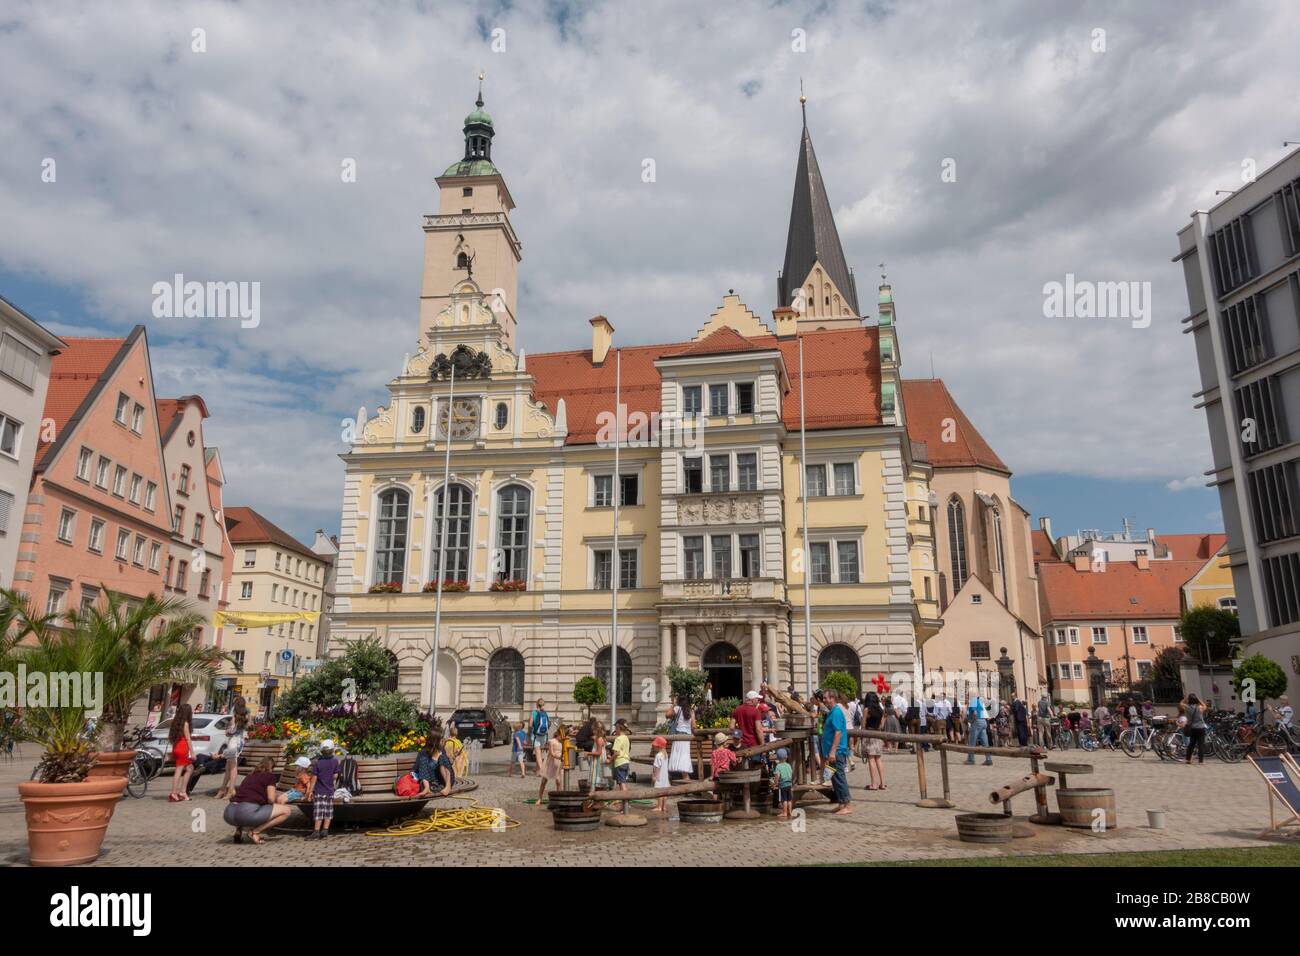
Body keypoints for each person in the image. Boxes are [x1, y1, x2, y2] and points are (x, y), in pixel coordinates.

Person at [223, 757, 292, 845]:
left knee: (248, 803)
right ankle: (255, 832)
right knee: (286, 811)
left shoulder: (250, 776)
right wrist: (277, 801)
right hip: (246, 812)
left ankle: (238, 831)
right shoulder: (270, 776)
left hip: (229, 813)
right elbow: (271, 799)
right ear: (271, 768)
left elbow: (245, 794)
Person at [821, 689, 852, 815]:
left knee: (839, 778)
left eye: (825, 698)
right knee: (834, 778)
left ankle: (847, 804)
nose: (824, 700)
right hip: (832, 752)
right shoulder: (832, 712)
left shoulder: (837, 712)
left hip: (837, 752)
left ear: (832, 698)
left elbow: (838, 733)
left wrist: (833, 751)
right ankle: (841, 803)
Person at [216, 695, 249, 799]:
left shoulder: (235, 715)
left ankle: (231, 790)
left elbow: (232, 730)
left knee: (232, 767)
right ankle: (223, 789)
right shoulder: (246, 714)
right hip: (240, 741)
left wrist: (227, 731)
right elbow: (248, 726)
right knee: (228, 766)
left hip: (233, 741)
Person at [311, 739, 340, 839]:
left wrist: (310, 791)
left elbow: (314, 779)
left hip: (319, 791)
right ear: (333, 750)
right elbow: (335, 775)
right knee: (328, 811)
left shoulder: (317, 763)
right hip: (330, 791)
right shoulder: (335, 761)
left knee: (319, 811)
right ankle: (325, 830)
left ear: (321, 751)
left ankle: (316, 831)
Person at [167, 703, 195, 802]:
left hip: (177, 747)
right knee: (178, 771)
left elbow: (172, 737)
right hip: (183, 748)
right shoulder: (185, 723)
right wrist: (192, 752)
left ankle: (182, 792)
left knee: (190, 768)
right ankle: (174, 793)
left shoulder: (175, 722)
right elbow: (188, 739)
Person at [862, 691, 886, 791]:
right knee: (878, 759)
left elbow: (863, 724)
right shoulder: (881, 710)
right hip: (878, 735)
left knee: (871, 759)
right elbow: (882, 725)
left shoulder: (867, 710)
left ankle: (874, 784)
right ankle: (883, 783)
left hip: (869, 734)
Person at [669, 696, 695, 780]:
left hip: (678, 736)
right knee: (685, 756)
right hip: (687, 737)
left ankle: (685, 778)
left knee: (678, 755)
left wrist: (673, 705)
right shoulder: (691, 711)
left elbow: (667, 715)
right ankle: (685, 777)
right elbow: (693, 726)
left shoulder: (677, 708)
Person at [538, 725, 563, 803]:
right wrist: (559, 757)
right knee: (544, 781)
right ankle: (540, 798)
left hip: (558, 763)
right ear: (558, 734)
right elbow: (552, 753)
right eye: (561, 736)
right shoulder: (552, 741)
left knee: (558, 781)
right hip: (550, 762)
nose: (562, 738)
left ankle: (559, 798)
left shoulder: (563, 742)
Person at [965, 695, 993, 765]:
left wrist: (971, 721)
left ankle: (971, 760)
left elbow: (974, 713)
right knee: (985, 742)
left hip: (977, 722)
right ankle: (989, 759)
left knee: (972, 741)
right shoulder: (979, 702)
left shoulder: (973, 701)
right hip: (983, 721)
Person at [611, 722, 632, 809]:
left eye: (616, 728)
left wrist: (610, 759)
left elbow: (616, 753)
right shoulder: (626, 738)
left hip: (619, 763)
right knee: (623, 783)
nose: (615, 730)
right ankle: (625, 804)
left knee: (622, 784)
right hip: (626, 762)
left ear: (619, 729)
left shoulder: (618, 739)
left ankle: (626, 804)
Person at [1184, 694, 1208, 765]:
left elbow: (1181, 703)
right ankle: (1201, 761)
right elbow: (1205, 706)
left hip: (1192, 728)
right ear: (1196, 700)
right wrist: (1198, 699)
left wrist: (1186, 698)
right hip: (1201, 727)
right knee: (1201, 744)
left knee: (1191, 744)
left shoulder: (1187, 707)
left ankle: (1188, 759)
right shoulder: (1200, 707)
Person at [529, 698, 551, 772]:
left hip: (536, 735)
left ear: (536, 704)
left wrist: (529, 733)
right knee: (539, 753)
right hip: (544, 735)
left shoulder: (534, 712)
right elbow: (549, 724)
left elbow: (530, 724)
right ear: (543, 705)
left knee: (538, 754)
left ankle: (542, 771)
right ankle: (537, 770)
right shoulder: (545, 713)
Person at [651, 735, 670, 813]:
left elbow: (657, 767)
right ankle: (664, 806)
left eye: (655, 746)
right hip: (665, 776)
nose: (654, 747)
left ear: (658, 746)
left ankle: (659, 807)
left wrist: (655, 776)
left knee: (659, 792)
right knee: (664, 792)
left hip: (659, 776)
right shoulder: (665, 754)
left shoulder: (658, 755)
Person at [774, 748, 794, 819]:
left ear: (777, 757)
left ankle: (784, 813)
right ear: (786, 756)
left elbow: (777, 776)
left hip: (783, 785)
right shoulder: (788, 765)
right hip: (789, 784)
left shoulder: (778, 766)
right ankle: (790, 812)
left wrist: (775, 783)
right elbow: (791, 773)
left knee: (784, 800)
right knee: (789, 799)